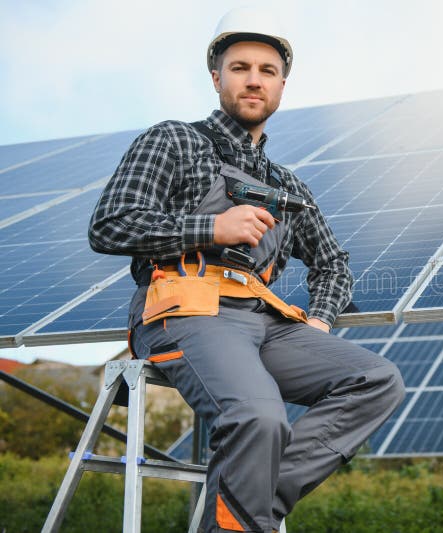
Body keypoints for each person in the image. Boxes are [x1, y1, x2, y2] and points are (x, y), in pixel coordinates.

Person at [88, 7, 405, 533]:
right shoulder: (173, 140)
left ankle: (252, 503)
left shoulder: (289, 185)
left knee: (375, 380)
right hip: (184, 309)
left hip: (265, 320)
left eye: (267, 70)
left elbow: (333, 264)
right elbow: (110, 225)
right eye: (240, 68)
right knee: (258, 417)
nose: (253, 80)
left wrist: (320, 320)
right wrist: (211, 229)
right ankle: (246, 512)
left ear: (282, 84)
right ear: (217, 77)